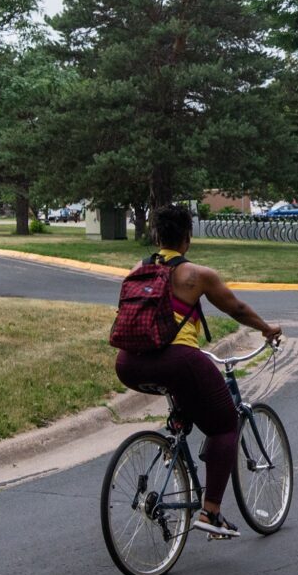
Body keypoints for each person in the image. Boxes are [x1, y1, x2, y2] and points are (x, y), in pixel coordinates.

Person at [111, 203, 284, 539]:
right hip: (177, 359)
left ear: (157, 236)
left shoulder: (137, 270)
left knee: (187, 395)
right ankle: (211, 511)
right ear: (187, 238)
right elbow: (237, 308)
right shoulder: (197, 275)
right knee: (225, 424)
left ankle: (178, 433)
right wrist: (267, 329)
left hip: (129, 363)